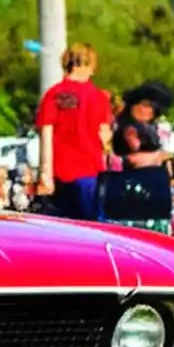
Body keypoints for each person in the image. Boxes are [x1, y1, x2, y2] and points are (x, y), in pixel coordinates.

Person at [34, 43, 112, 220]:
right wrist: (108, 160)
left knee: (64, 227)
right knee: (92, 226)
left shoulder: (54, 95)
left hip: (61, 172)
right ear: (90, 66)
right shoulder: (100, 97)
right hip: (91, 171)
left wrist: (45, 172)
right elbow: (105, 136)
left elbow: (46, 133)